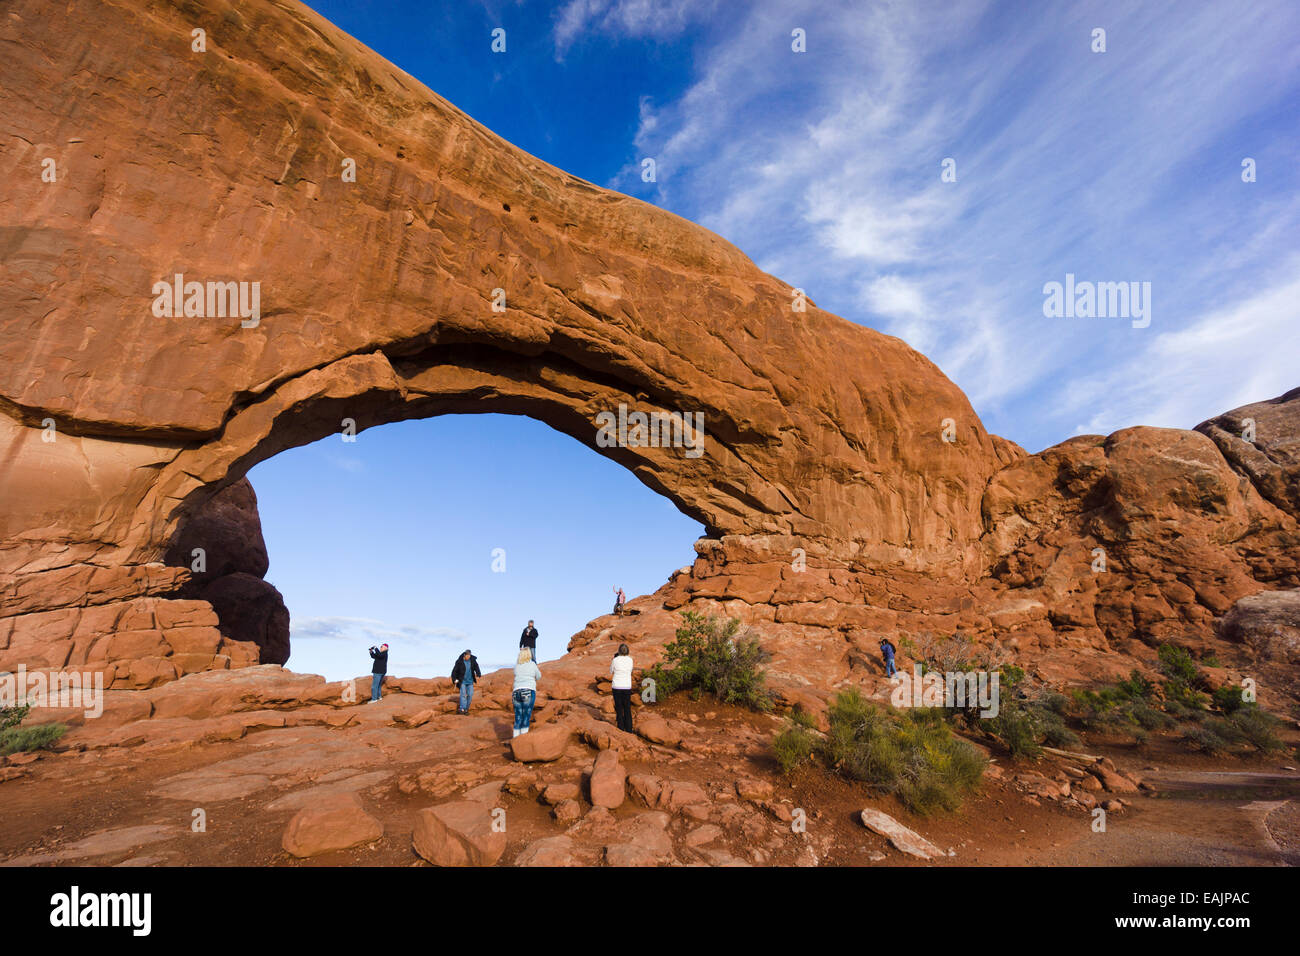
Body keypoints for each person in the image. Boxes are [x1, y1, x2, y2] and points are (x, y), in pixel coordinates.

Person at [512, 647, 541, 738]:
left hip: (516, 691)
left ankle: (515, 739)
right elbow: (539, 676)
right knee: (526, 716)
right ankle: (523, 741)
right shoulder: (532, 664)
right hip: (528, 690)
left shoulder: (517, 665)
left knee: (518, 717)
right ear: (529, 655)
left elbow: (515, 674)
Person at [610, 643, 634, 733]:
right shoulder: (630, 660)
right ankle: (629, 729)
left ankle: (620, 728)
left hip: (616, 686)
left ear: (619, 651)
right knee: (627, 708)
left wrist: (614, 659)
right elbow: (631, 670)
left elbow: (611, 671)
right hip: (627, 686)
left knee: (619, 707)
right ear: (627, 651)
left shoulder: (615, 660)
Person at [451, 649, 481, 715]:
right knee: (463, 695)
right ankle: (462, 709)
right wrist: (454, 679)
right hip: (462, 681)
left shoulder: (472, 660)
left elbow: (476, 666)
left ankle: (466, 709)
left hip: (470, 681)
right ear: (465, 655)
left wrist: (478, 673)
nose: (468, 657)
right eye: (467, 656)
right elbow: (454, 671)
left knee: (470, 694)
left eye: (469, 656)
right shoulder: (459, 661)